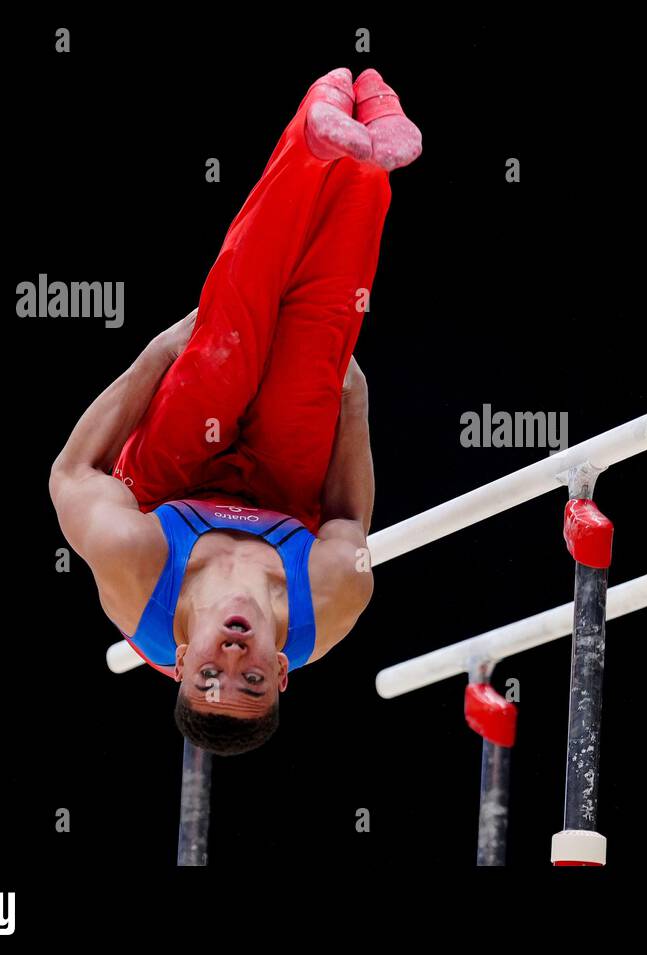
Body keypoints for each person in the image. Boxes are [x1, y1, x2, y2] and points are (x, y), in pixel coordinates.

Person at [49, 67, 420, 755]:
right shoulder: (331, 601)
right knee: (324, 326)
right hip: (284, 491)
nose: (232, 656)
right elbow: (344, 515)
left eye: (209, 673)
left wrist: (159, 353)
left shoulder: (135, 575)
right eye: (250, 678)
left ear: (180, 661)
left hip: (172, 478)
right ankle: (372, 147)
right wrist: (354, 396)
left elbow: (72, 472)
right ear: (282, 671)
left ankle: (319, 125)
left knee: (234, 333)